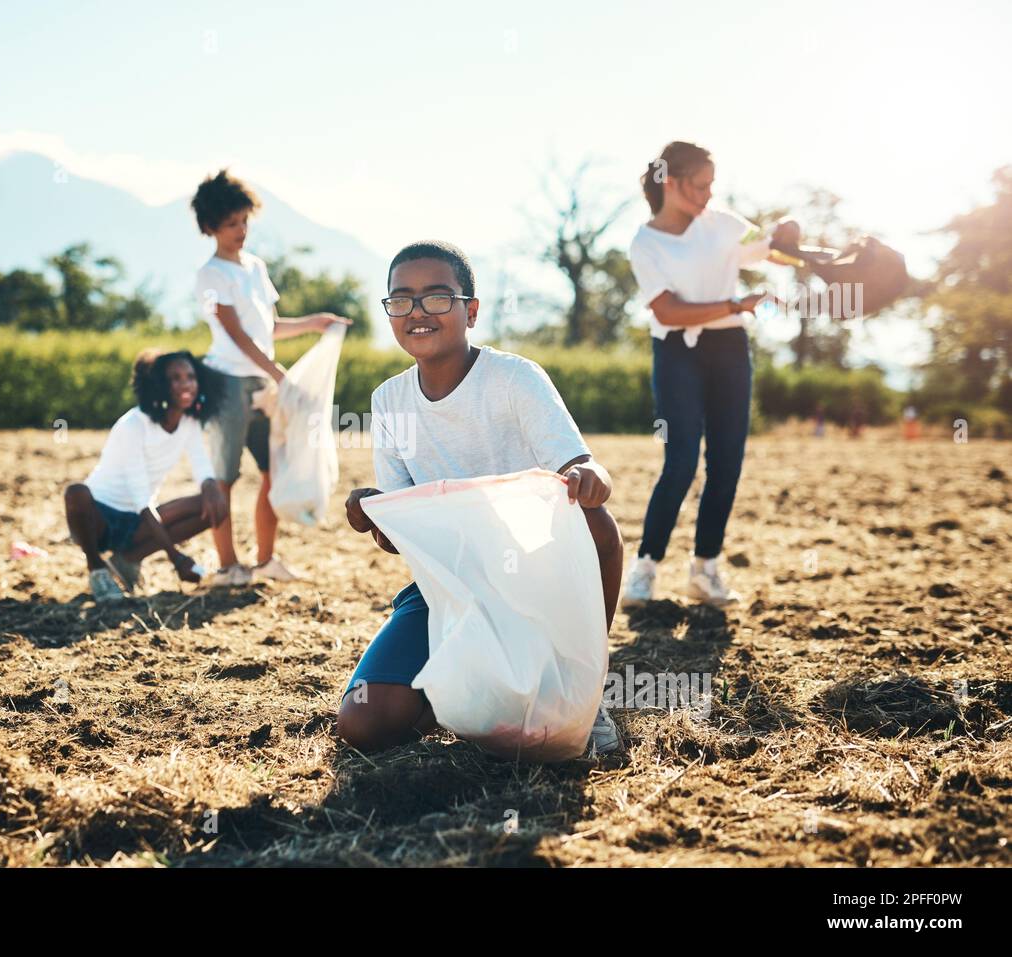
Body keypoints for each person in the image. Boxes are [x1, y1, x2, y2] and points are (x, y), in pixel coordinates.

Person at [337, 240, 625, 756]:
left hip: (533, 580)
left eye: (437, 297)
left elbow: (578, 466)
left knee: (597, 522)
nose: (418, 312)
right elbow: (404, 539)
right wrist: (374, 513)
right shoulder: (389, 400)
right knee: (365, 723)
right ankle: (457, 696)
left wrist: (592, 475)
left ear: (470, 310)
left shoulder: (515, 378)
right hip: (449, 585)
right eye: (401, 299)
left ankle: (584, 687)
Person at [622, 141, 800, 609]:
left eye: (710, 186)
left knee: (727, 463)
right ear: (670, 182)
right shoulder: (646, 243)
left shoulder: (724, 225)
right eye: (698, 186)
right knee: (680, 462)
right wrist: (735, 305)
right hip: (677, 350)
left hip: (728, 350)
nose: (707, 195)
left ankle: (705, 570)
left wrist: (786, 238)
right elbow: (669, 310)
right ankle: (644, 568)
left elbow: (770, 252)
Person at [190, 169, 352, 586]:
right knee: (223, 477)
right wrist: (278, 373)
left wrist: (315, 323)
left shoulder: (256, 268)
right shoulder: (211, 275)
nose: (241, 230)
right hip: (226, 383)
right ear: (210, 227)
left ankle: (265, 560)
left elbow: (269, 326)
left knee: (272, 471)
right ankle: (228, 566)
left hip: (262, 384)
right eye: (231, 224)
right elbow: (237, 335)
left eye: (245, 221)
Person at [64, 350, 228, 603]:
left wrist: (211, 487)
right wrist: (177, 559)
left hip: (135, 522)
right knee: (76, 492)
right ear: (160, 385)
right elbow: (142, 499)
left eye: (190, 376)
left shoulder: (189, 422)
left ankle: (126, 561)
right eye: (175, 378)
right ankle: (97, 569)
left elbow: (201, 465)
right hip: (98, 518)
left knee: (213, 506)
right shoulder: (134, 425)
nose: (185, 383)